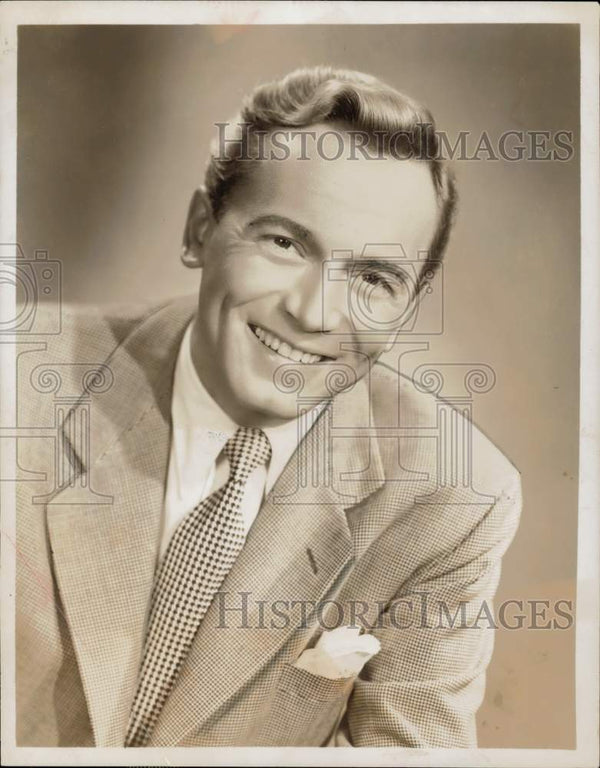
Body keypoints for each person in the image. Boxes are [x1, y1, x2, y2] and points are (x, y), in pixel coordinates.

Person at [16, 66, 522, 748]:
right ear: (200, 230)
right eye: (284, 243)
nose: (314, 313)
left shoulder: (452, 500)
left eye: (374, 279)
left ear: (409, 307)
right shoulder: (19, 381)